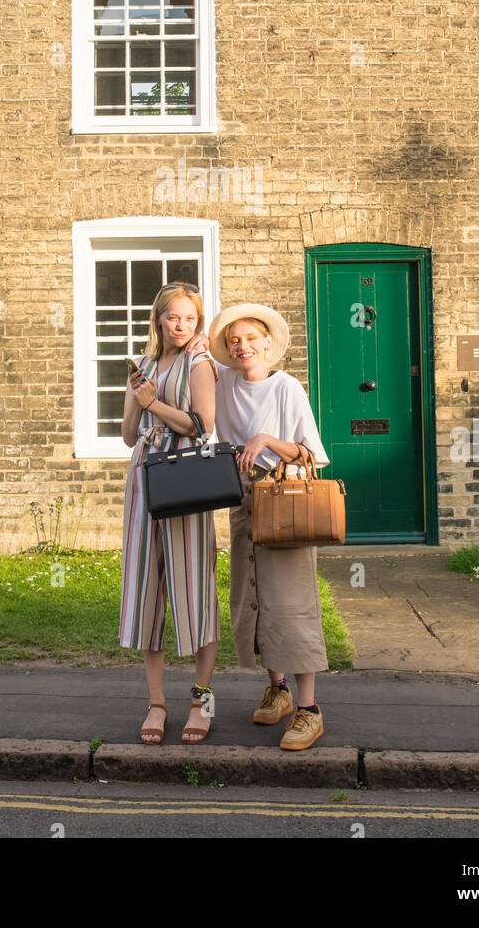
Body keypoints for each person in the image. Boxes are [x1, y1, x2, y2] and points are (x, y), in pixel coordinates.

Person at [207, 303, 330, 751]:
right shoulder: (224, 386)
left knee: (292, 600)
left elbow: (311, 452)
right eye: (233, 341)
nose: (242, 347)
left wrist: (265, 441)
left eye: (250, 339)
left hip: (284, 498)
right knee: (253, 594)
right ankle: (277, 689)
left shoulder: (286, 387)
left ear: (267, 344)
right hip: (242, 497)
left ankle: (309, 708)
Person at [119, 282, 219, 745]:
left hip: (186, 480)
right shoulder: (141, 366)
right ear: (158, 318)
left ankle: (201, 701)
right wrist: (137, 401)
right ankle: (156, 702)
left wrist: (152, 403)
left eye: (191, 319)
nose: (182, 326)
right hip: (144, 478)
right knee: (146, 589)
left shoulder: (199, 362)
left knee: (194, 586)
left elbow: (201, 426)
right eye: (174, 318)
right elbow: (126, 434)